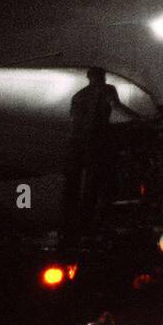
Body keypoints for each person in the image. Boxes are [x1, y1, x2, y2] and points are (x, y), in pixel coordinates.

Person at [62, 67, 142, 247]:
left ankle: (71, 225)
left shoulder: (78, 95)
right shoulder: (107, 89)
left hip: (76, 143)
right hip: (96, 140)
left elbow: (74, 120)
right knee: (96, 181)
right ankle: (92, 222)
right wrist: (139, 118)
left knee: (73, 185)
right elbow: (115, 106)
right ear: (101, 77)